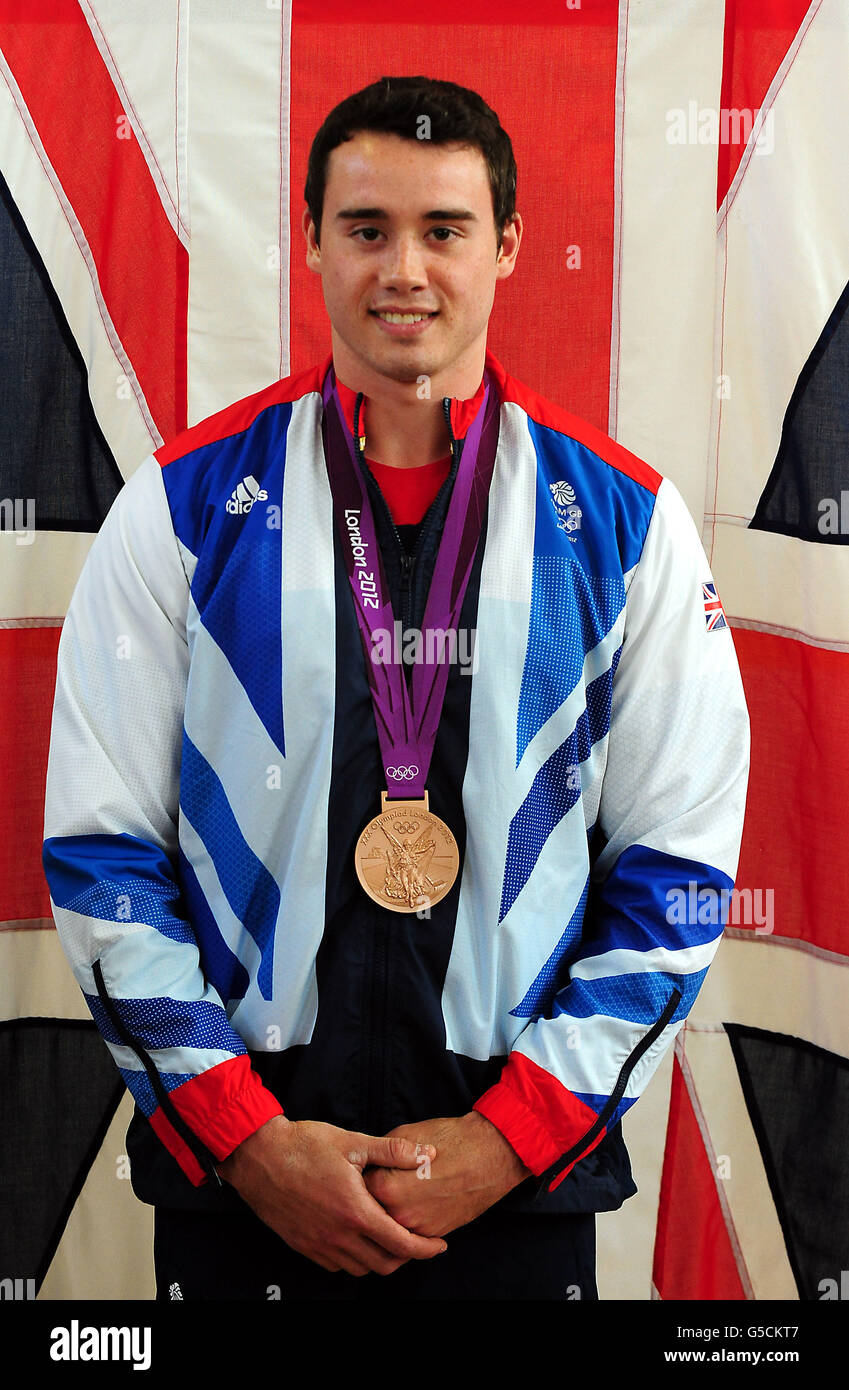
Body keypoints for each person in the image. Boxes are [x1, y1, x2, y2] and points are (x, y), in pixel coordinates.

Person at [42, 75, 750, 1301]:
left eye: (445, 230)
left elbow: (678, 871)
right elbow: (103, 854)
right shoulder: (181, 507)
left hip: (513, 1195)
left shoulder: (626, 525)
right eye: (366, 229)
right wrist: (249, 1140)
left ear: (509, 246)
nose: (404, 270)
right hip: (245, 1186)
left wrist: (504, 1142)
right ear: (312, 240)